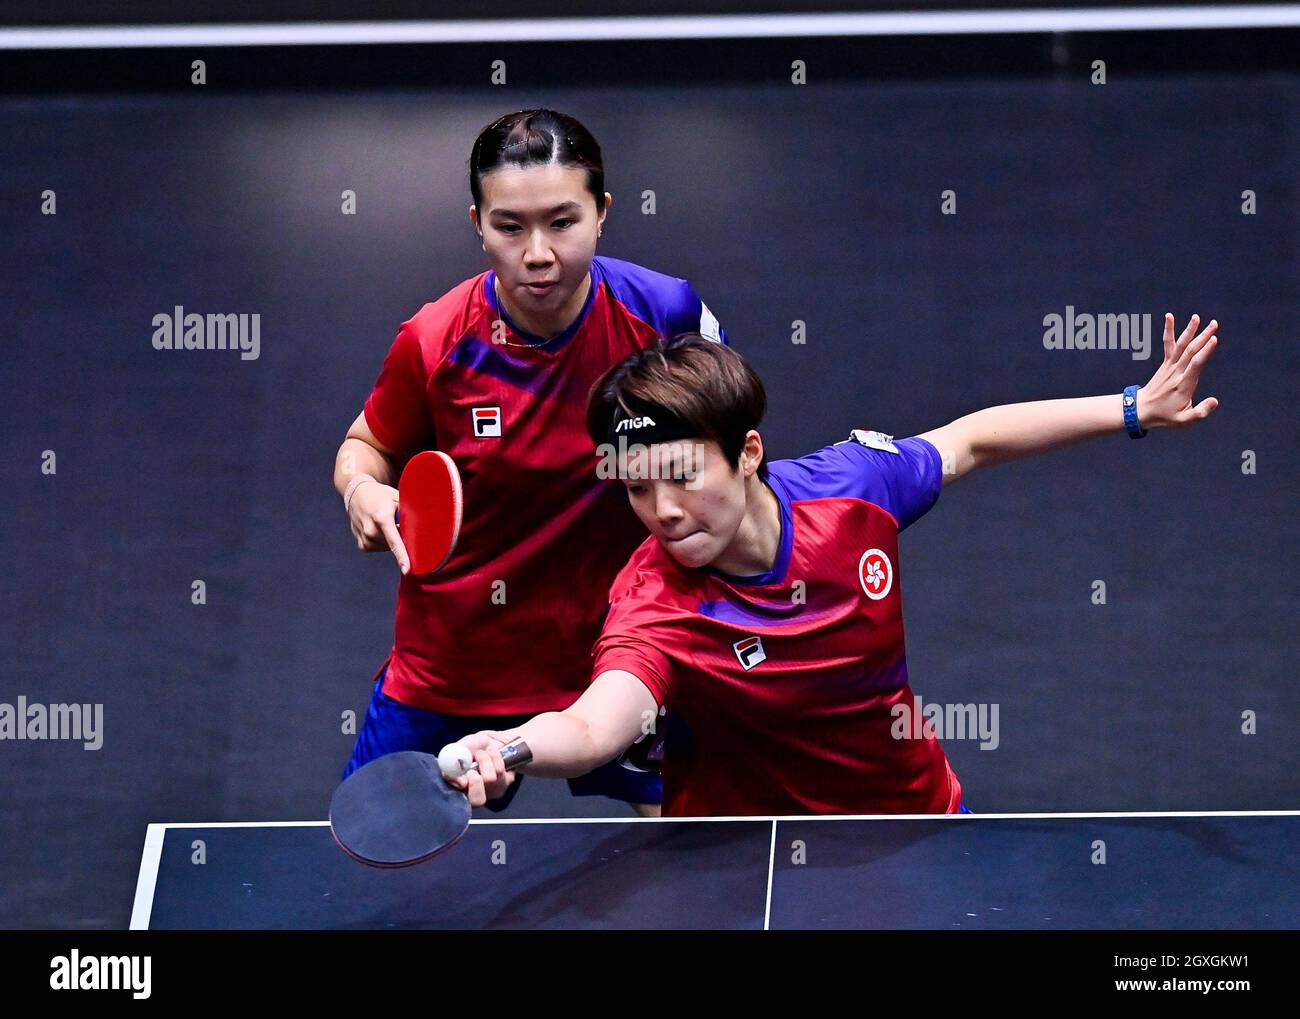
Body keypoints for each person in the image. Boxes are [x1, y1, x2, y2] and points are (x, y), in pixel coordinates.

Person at [448, 314, 1221, 815]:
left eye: (683, 475)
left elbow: (969, 441)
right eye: (637, 486)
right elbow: (593, 726)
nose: (664, 510)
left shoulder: (852, 491)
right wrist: (509, 746)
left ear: (748, 453)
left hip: (919, 820)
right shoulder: (654, 601)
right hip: (739, 861)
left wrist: (1133, 408)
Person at [332, 109, 728, 816]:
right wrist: (362, 489)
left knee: (687, 854)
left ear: (602, 214)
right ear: (477, 223)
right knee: (369, 852)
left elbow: (724, 453)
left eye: (562, 222)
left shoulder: (664, 313)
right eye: (510, 226)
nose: (537, 253)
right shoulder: (434, 342)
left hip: (617, 651)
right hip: (452, 657)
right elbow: (365, 445)